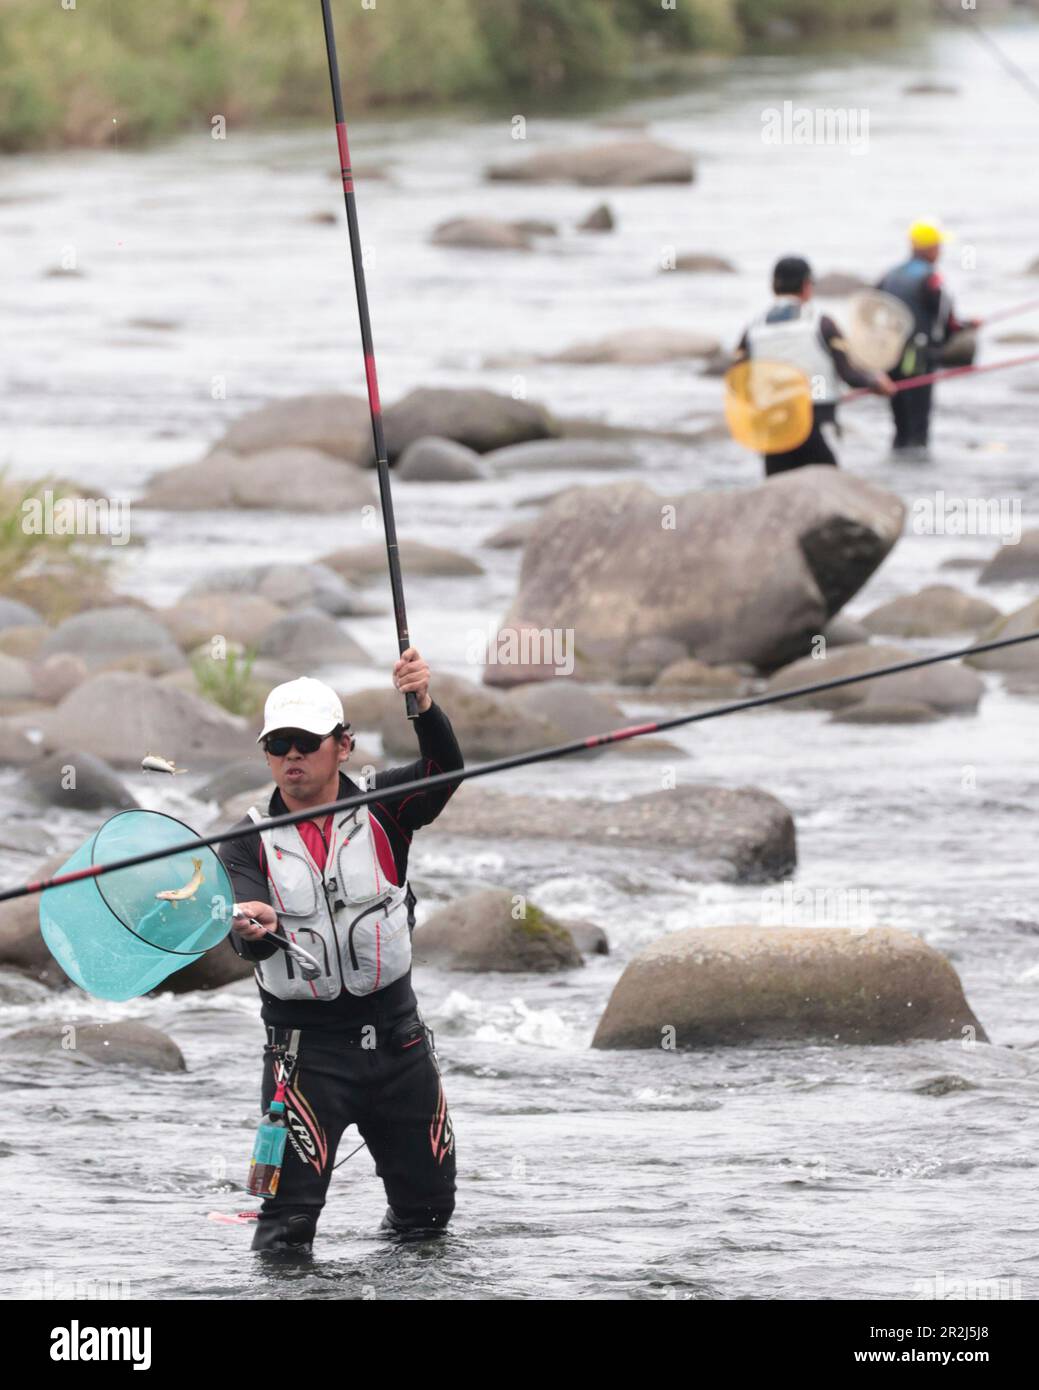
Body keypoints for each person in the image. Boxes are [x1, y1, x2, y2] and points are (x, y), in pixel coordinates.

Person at [221, 649, 462, 1255]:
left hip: (398, 1043)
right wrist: (253, 924)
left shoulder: (388, 806)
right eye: (278, 745)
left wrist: (423, 705)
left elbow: (446, 767)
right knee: (284, 1235)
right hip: (303, 1060)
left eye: (306, 741)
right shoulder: (244, 841)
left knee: (428, 1217)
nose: (292, 756)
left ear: (343, 745)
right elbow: (242, 931)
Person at [735, 255, 894, 476]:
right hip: (815, 423)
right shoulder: (821, 324)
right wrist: (876, 382)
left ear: (773, 286)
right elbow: (848, 375)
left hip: (773, 429)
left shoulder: (752, 329)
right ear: (807, 286)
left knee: (780, 495)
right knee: (828, 492)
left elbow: (738, 381)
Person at [876, 220, 977, 457]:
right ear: (930, 249)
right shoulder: (931, 279)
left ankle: (899, 457)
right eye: (939, 247)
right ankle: (917, 467)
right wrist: (966, 327)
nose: (940, 251)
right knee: (919, 420)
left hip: (890, 356)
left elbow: (872, 310)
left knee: (899, 419)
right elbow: (946, 322)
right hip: (920, 358)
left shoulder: (890, 275)